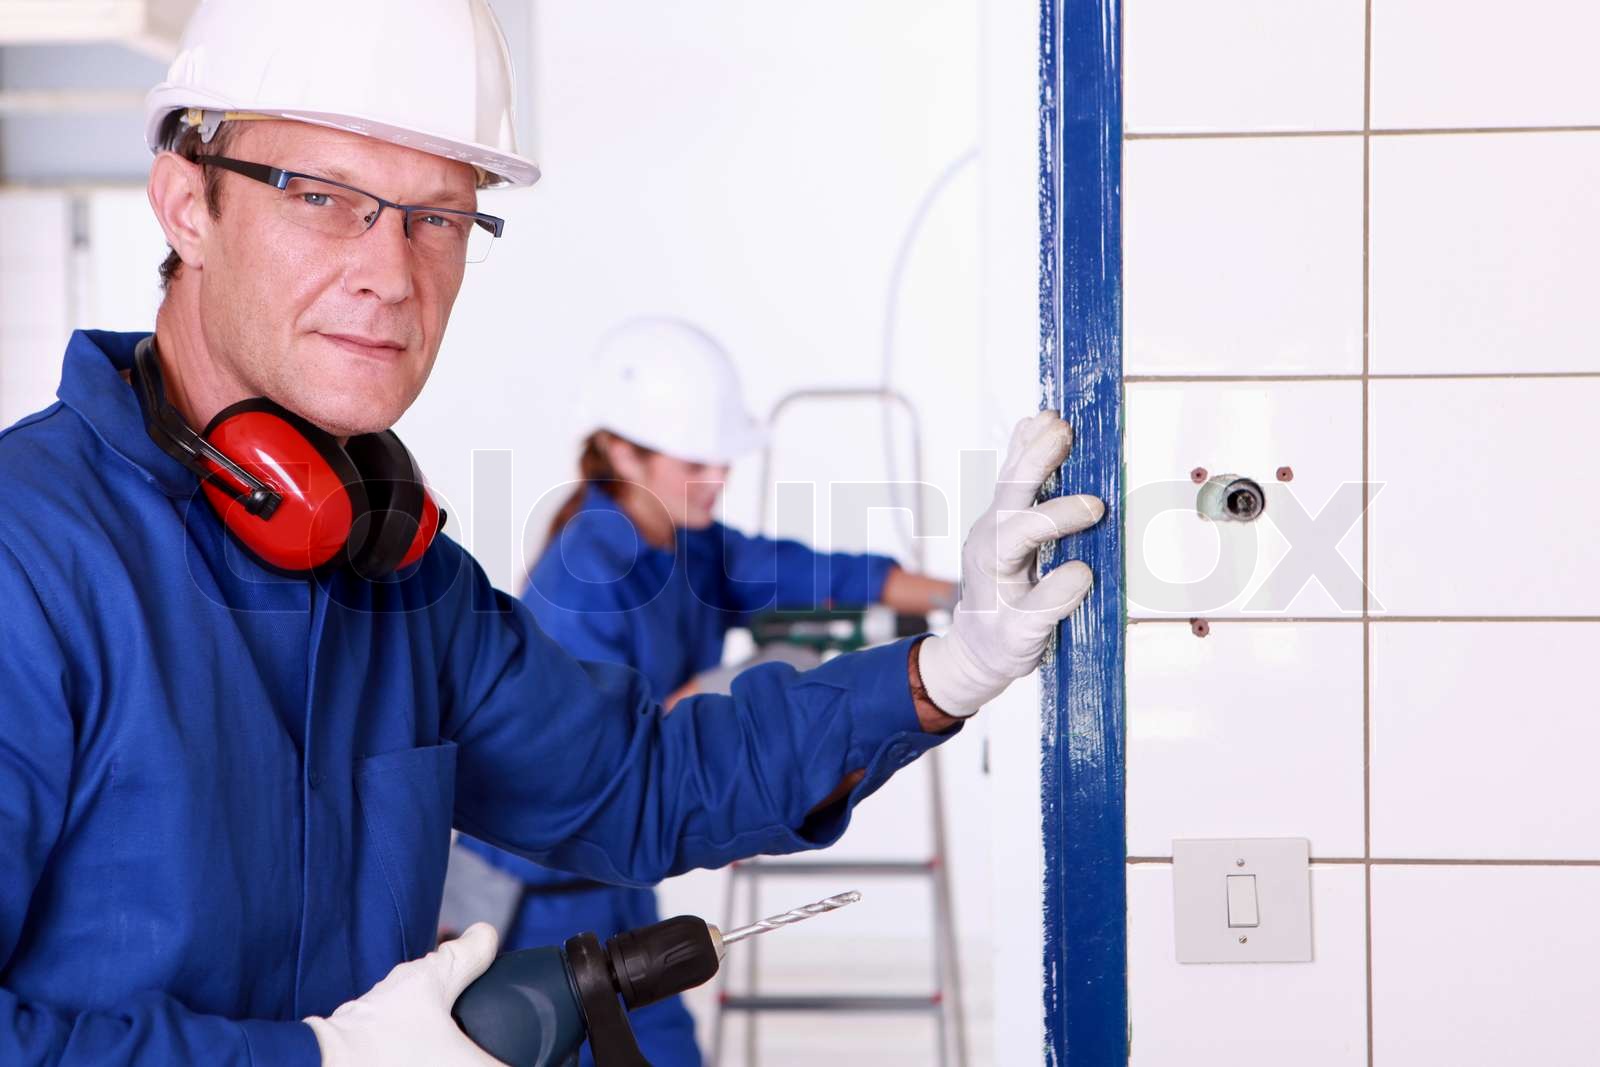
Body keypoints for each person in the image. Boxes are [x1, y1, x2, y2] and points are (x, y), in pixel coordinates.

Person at [0, 1, 1104, 1065]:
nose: (391, 275)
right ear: (185, 201)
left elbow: (636, 786)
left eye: (436, 216)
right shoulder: (27, 557)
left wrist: (948, 668)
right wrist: (316, 1058)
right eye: (323, 196)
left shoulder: (399, 577)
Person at [454, 316, 957, 1066]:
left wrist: (968, 595)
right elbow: (604, 758)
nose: (718, 479)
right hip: (534, 902)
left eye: (724, 460)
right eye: (697, 460)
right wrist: (727, 699)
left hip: (619, 882)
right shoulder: (586, 573)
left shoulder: (691, 542)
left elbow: (814, 571)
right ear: (622, 450)